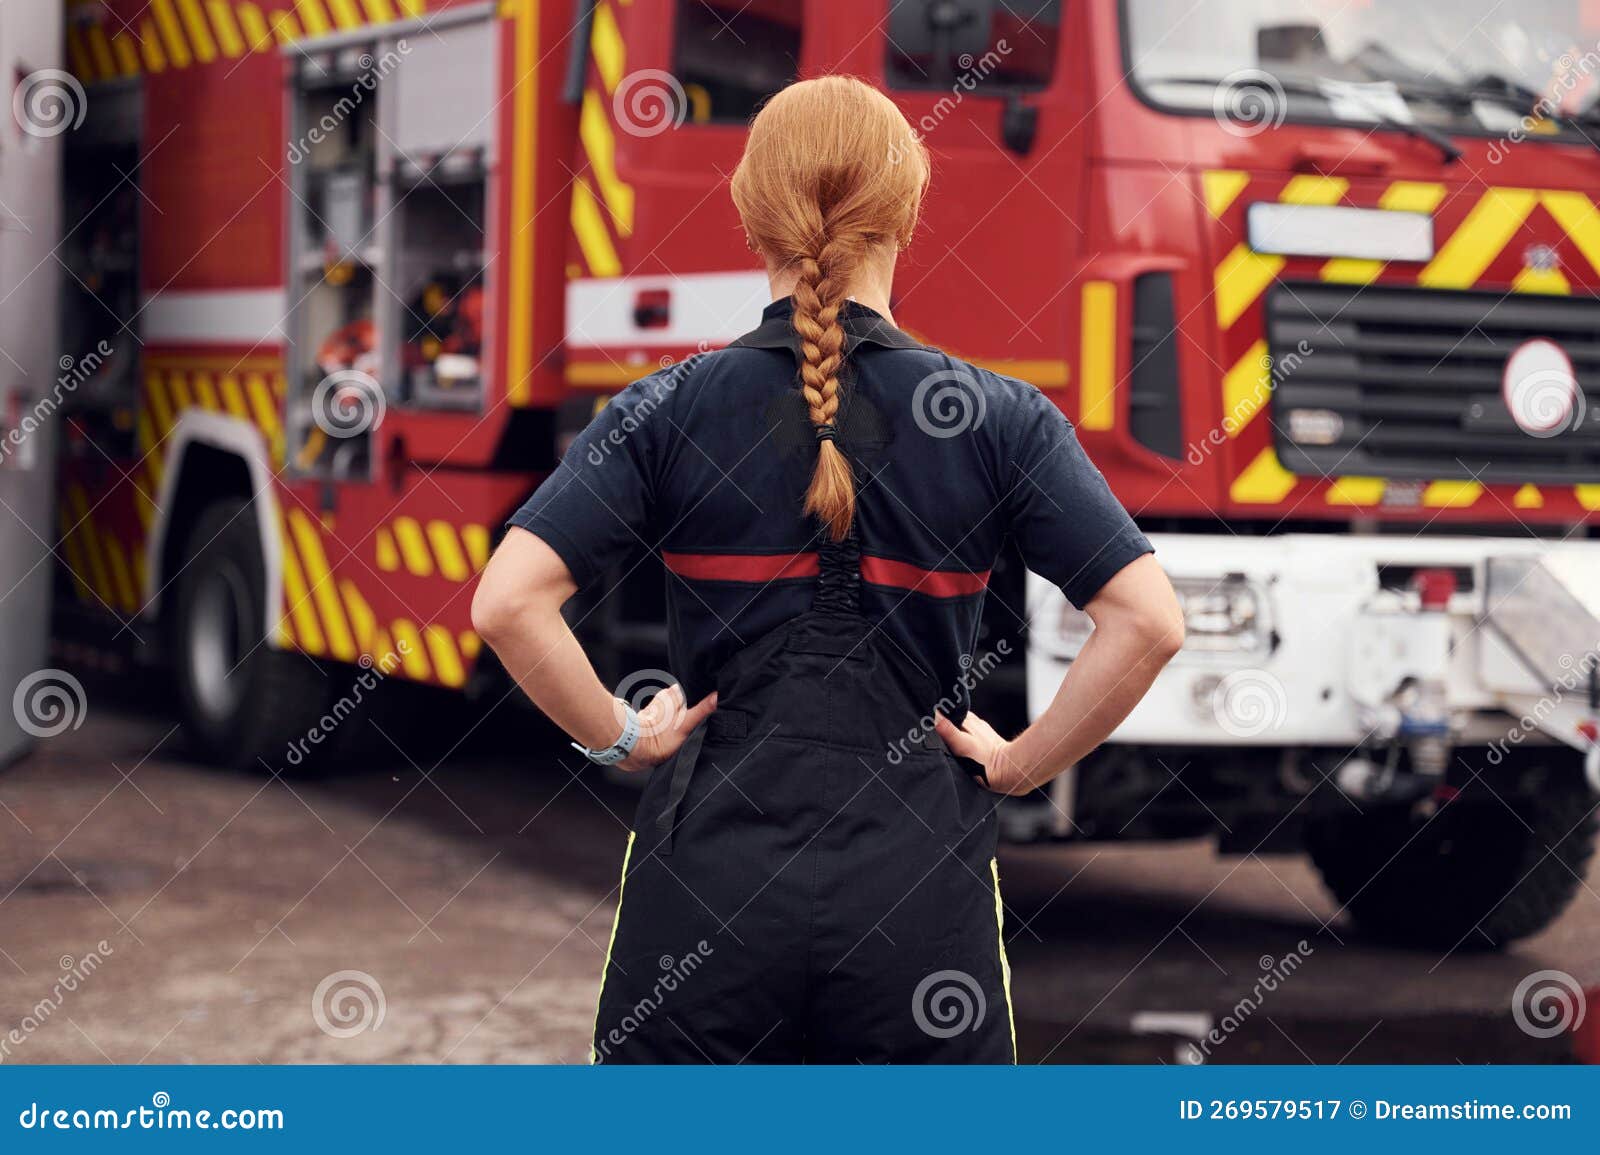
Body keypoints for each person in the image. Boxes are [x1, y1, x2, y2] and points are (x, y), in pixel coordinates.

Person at [472, 76, 1184, 1064]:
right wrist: (1022, 763)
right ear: (907, 210)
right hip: (917, 901)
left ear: (749, 213)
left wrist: (619, 735)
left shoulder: (664, 408)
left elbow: (509, 603)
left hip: (709, 894)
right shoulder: (999, 417)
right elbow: (1148, 623)